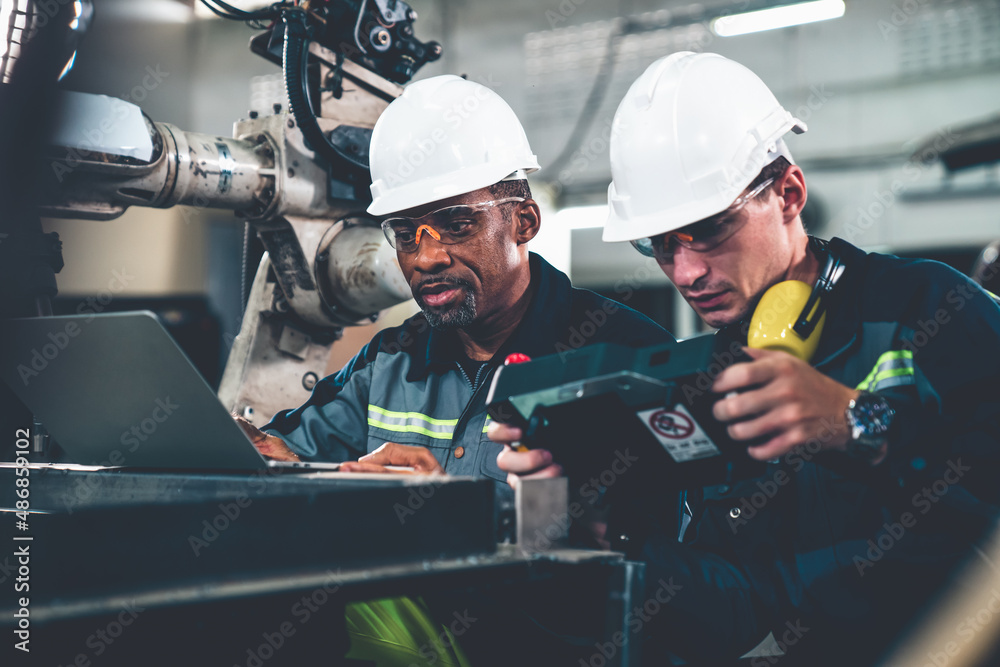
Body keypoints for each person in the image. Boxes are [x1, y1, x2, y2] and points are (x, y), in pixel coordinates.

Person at [492, 52, 1000, 665]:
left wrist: (860, 423)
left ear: (788, 193)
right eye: (658, 246)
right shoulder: (704, 382)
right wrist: (600, 530)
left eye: (708, 230)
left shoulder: (929, 306)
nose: (685, 272)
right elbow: (737, 607)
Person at [235, 74, 671, 666]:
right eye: (405, 234)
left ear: (523, 221)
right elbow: (288, 457)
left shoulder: (624, 354)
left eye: (457, 224)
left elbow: (648, 559)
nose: (426, 257)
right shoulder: (390, 359)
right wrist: (251, 454)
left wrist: (453, 512)